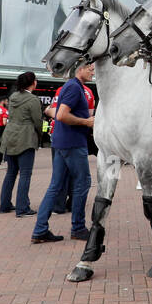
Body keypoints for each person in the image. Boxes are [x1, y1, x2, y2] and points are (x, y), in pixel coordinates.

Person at [31, 61, 95, 243]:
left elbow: (55, 112)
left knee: (56, 186)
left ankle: (40, 229)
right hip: (73, 143)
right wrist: (87, 122)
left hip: (61, 141)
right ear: (79, 68)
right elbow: (61, 115)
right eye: (90, 69)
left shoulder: (70, 87)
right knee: (82, 183)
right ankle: (78, 227)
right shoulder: (75, 88)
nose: (93, 72)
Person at [0, 72, 42, 216]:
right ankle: (22, 208)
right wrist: (40, 134)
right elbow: (37, 121)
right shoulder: (33, 100)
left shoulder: (13, 97)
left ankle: (5, 205)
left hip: (10, 135)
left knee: (10, 173)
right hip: (25, 138)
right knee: (25, 174)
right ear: (33, 83)